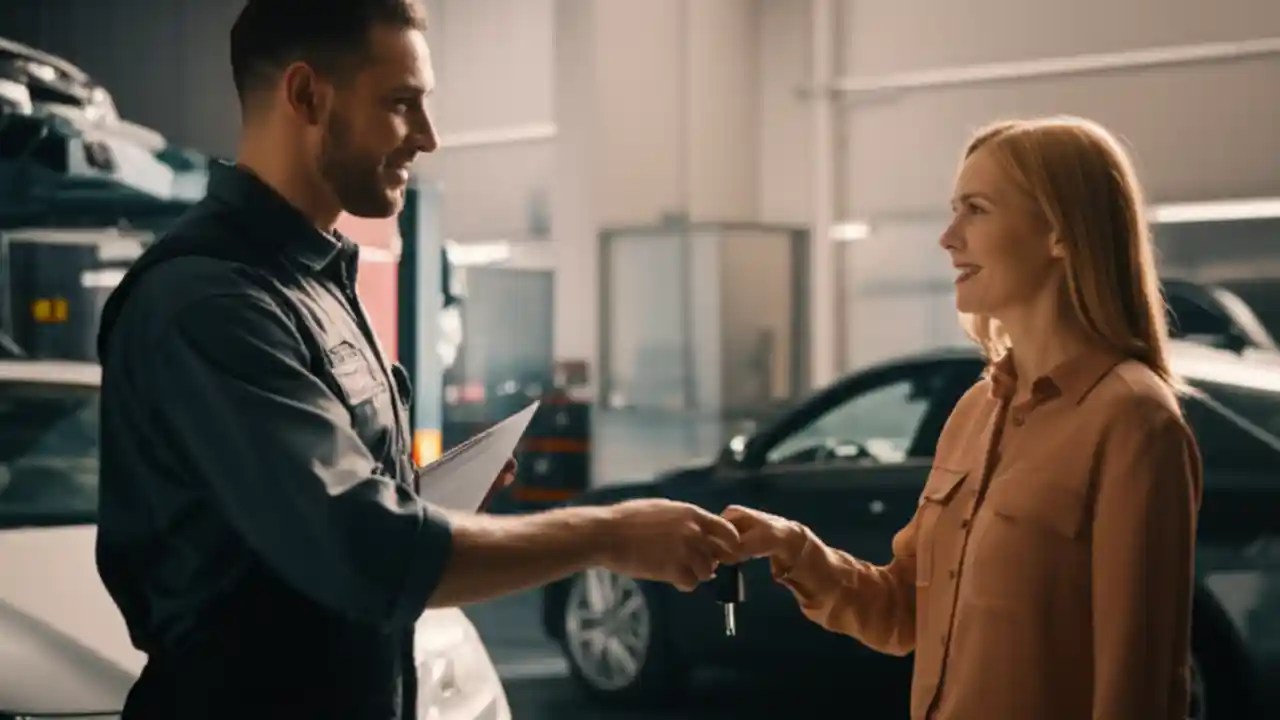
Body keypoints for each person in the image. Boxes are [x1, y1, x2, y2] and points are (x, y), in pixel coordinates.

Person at [94, 1, 739, 717]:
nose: (428, 138)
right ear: (306, 95)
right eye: (401, 105)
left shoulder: (315, 282)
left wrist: (429, 501)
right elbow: (361, 550)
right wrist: (608, 534)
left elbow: (291, 532)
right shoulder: (208, 301)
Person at [722, 116, 1203, 720]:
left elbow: (1141, 686)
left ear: (1060, 232)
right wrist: (793, 548)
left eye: (976, 209)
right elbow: (903, 613)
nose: (949, 238)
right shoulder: (978, 409)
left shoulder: (1133, 421)